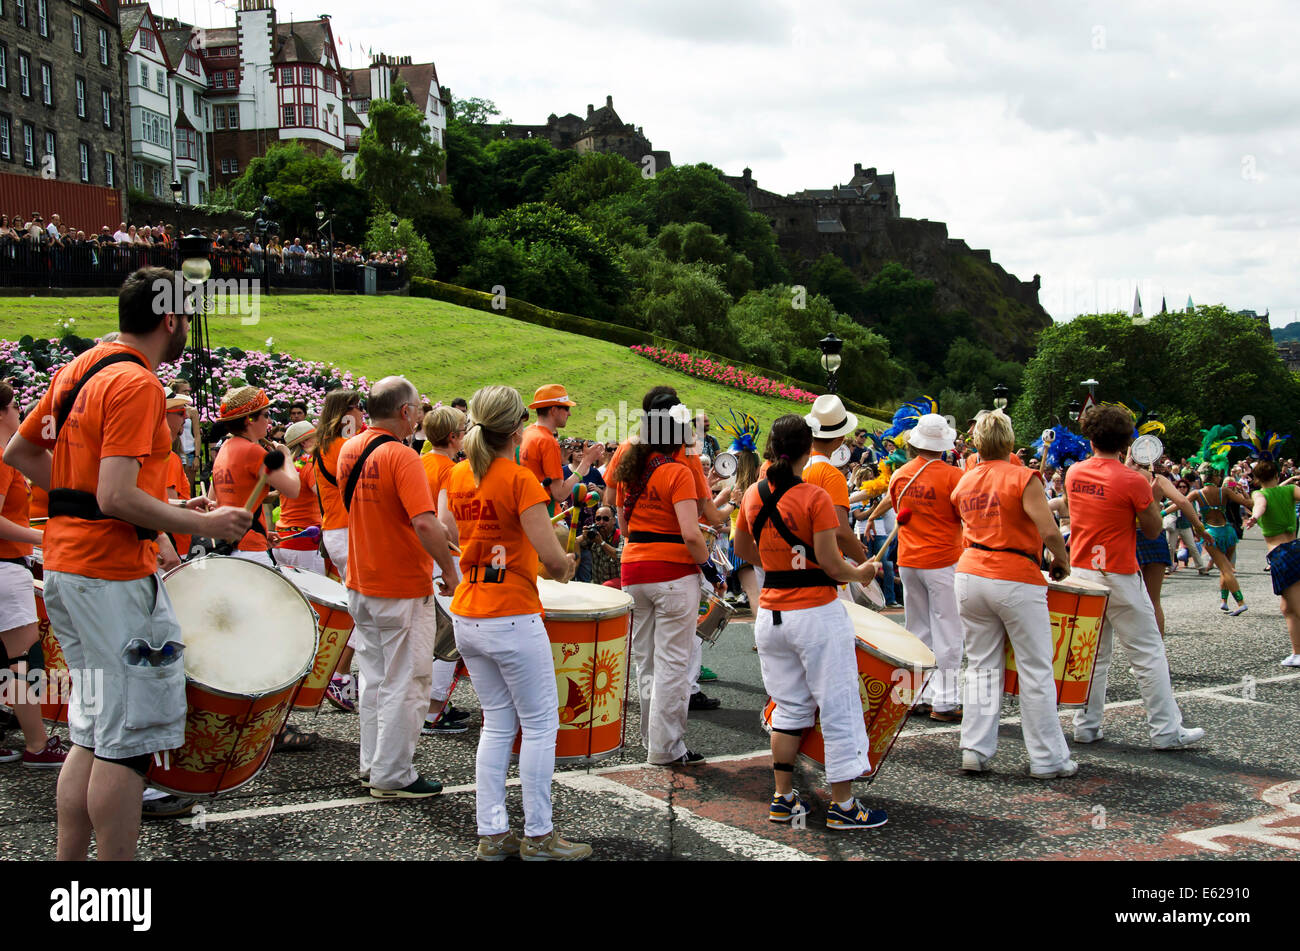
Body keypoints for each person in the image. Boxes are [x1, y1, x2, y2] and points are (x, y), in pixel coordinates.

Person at [3, 266, 251, 861]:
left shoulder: (78, 369)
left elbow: (23, 453)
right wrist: (203, 523)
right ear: (171, 319)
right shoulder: (138, 383)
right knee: (127, 744)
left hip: (67, 568)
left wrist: (152, 509)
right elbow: (114, 496)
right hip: (112, 579)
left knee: (91, 734)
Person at [445, 385, 591, 861]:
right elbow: (552, 562)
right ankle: (540, 834)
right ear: (518, 427)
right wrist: (567, 562)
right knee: (539, 724)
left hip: (469, 609)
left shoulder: (457, 474)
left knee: (497, 724)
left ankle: (492, 833)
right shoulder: (520, 479)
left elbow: (449, 534)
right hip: (512, 613)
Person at [733, 414, 887, 829]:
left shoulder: (752, 493)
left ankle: (783, 798)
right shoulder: (814, 497)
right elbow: (834, 564)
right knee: (838, 704)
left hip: (771, 615)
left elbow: (741, 547)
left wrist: (779, 566)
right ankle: (844, 805)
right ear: (808, 448)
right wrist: (863, 572)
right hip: (816, 614)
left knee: (788, 706)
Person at [337, 377, 460, 799]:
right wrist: (449, 568)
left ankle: (374, 764)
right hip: (401, 583)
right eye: (418, 410)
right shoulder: (402, 456)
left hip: (362, 579)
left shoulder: (349, 449)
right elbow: (423, 522)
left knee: (375, 677)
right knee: (408, 681)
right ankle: (394, 774)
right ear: (405, 412)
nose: (421, 418)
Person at [1064, 405, 1205, 750]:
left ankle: (1086, 724)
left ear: (1090, 436)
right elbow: (1154, 529)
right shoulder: (1133, 480)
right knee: (1147, 652)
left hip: (1082, 569)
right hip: (1119, 571)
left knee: (1092, 653)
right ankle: (1165, 730)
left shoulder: (1074, 473)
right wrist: (1147, 492)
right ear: (1127, 440)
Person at [950, 410, 1076, 777]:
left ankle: (975, 748)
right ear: (1008, 441)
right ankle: (1047, 758)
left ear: (977, 442)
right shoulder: (1024, 477)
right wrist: (1060, 560)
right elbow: (1050, 531)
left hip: (971, 572)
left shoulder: (966, 480)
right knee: (1035, 669)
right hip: (1015, 574)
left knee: (980, 667)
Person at [615, 389, 711, 766]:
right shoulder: (678, 472)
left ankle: (649, 739)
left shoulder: (629, 470)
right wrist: (708, 566)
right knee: (673, 662)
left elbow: (623, 525)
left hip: (634, 567)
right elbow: (691, 533)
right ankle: (666, 748)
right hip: (672, 572)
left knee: (646, 661)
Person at [0, 381, 67, 767]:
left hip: (9, 563)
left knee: (11, 659)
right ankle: (38, 745)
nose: (20, 413)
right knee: (25, 659)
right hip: (6, 564)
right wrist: (41, 536)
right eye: (14, 408)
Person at [888, 414, 965, 721]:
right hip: (943, 558)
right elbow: (963, 515)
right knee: (948, 629)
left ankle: (916, 695)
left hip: (909, 559)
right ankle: (946, 701)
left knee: (917, 630)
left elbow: (899, 510)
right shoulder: (953, 477)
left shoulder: (900, 474)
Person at [418, 405, 473, 736]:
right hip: (446, 558)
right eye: (464, 430)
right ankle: (433, 710)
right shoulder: (451, 470)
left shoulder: (419, 461)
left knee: (430, 636)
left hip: (420, 556)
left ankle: (431, 704)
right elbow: (446, 525)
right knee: (450, 638)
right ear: (454, 437)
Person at [314, 389, 365, 711]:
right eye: (357, 409)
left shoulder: (326, 443)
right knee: (366, 608)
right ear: (346, 414)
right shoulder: (341, 444)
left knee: (363, 607)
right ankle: (340, 673)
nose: (362, 415)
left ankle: (338, 673)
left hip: (338, 529)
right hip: (347, 531)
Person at [209, 386, 298, 567]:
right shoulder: (252, 451)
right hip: (249, 550)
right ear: (250, 419)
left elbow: (214, 500)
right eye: (265, 415)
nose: (269, 420)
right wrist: (287, 456)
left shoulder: (225, 448)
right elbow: (293, 490)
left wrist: (263, 533)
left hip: (229, 544)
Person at [1243, 460, 1300, 666]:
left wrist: (1255, 517)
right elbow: (1276, 494)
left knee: (1296, 605)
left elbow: (1261, 505)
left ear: (1256, 479)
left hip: (1280, 554)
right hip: (1295, 547)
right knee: (1287, 607)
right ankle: (1297, 653)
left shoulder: (1259, 494)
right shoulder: (1291, 490)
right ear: (1277, 475)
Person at [519, 384, 603, 507]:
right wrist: (586, 462)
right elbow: (560, 494)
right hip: (545, 512)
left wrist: (562, 459)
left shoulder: (527, 432)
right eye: (566, 408)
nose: (569, 414)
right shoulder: (548, 441)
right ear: (553, 410)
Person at [1192, 464, 1250, 615]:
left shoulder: (1198, 493)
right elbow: (1248, 503)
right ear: (1214, 477)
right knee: (1225, 568)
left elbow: (1180, 503)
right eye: (1218, 476)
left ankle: (1241, 602)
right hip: (1229, 532)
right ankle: (1224, 601)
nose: (1220, 478)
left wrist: (1163, 512)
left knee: (1225, 568)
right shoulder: (1224, 491)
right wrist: (1245, 493)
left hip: (1212, 534)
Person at [274, 421, 325, 574]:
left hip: (282, 540)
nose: (319, 442)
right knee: (315, 595)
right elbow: (324, 496)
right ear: (305, 442)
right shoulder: (309, 464)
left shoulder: (285, 466)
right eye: (316, 438)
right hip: (304, 542)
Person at [586, 505, 623, 585]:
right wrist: (583, 536)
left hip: (616, 586)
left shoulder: (620, 536)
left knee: (608, 585)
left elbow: (620, 556)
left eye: (605, 519)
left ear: (613, 521)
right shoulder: (593, 535)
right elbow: (574, 544)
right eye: (598, 519)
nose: (601, 522)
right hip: (597, 585)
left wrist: (601, 543)